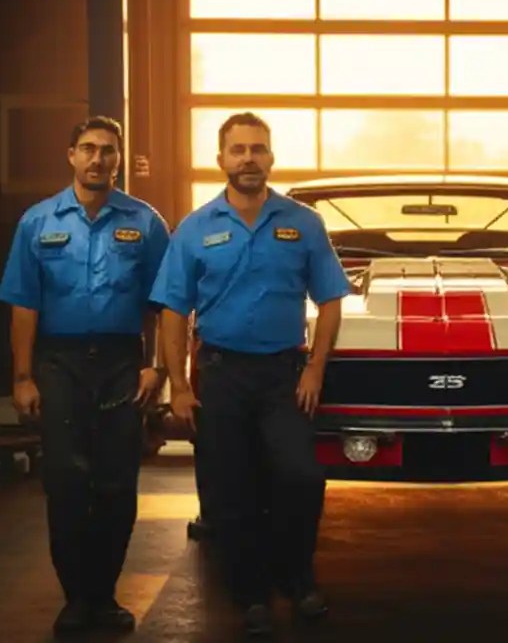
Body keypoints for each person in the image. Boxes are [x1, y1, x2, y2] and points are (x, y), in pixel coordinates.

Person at [150, 111, 351, 637]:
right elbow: (173, 311)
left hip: (285, 376)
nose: (248, 159)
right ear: (221, 160)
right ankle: (251, 594)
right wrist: (179, 385)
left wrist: (315, 369)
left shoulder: (303, 222)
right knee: (232, 491)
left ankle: (298, 577)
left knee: (301, 478)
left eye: (257, 149)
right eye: (238, 150)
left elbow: (330, 300)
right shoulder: (195, 229)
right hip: (220, 375)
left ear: (271, 158)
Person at [0, 116, 170, 637]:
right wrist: (22, 376)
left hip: (121, 364)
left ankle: (104, 594)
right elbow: (23, 305)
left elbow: (165, 304)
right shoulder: (37, 222)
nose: (98, 159)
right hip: (59, 363)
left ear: (119, 159)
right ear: (70, 155)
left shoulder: (145, 223)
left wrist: (156, 366)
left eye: (108, 151)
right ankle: (75, 598)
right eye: (88, 149)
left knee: (117, 483)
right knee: (67, 482)